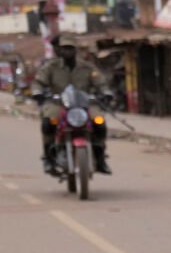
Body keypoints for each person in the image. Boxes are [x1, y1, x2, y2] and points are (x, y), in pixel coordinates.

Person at [32, 36, 111, 175]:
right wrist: (37, 92)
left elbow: (101, 82)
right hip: (58, 103)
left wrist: (106, 93)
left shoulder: (87, 67)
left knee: (100, 122)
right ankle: (48, 157)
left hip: (84, 104)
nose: (67, 51)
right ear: (60, 50)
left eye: (70, 48)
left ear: (75, 50)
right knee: (48, 123)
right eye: (64, 48)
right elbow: (38, 82)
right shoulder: (51, 67)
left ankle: (100, 157)